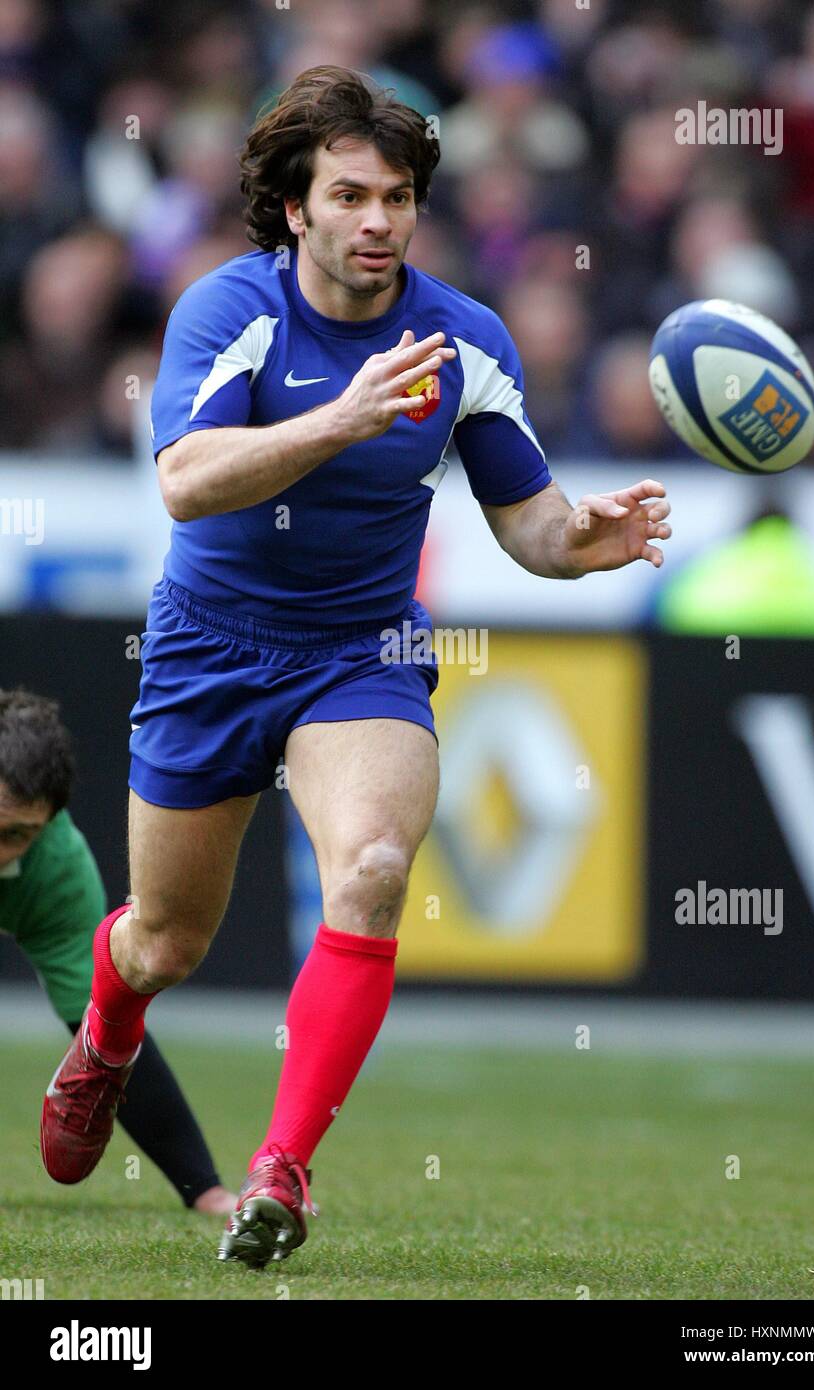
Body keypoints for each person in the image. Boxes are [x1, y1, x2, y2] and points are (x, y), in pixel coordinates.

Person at [40, 65, 672, 1268]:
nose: (377, 219)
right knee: (164, 942)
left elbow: (526, 522)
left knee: (374, 868)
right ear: (296, 209)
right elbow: (182, 479)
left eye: (397, 197)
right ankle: (109, 1033)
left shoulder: (465, 338)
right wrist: (340, 416)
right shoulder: (228, 312)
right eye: (349, 195)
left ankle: (281, 1168)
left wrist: (581, 543)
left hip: (361, 651)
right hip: (209, 648)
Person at [0, 687, 235, 1214]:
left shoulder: (58, 873)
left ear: (51, 821)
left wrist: (204, 1188)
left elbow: (105, 1039)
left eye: (17, 833)